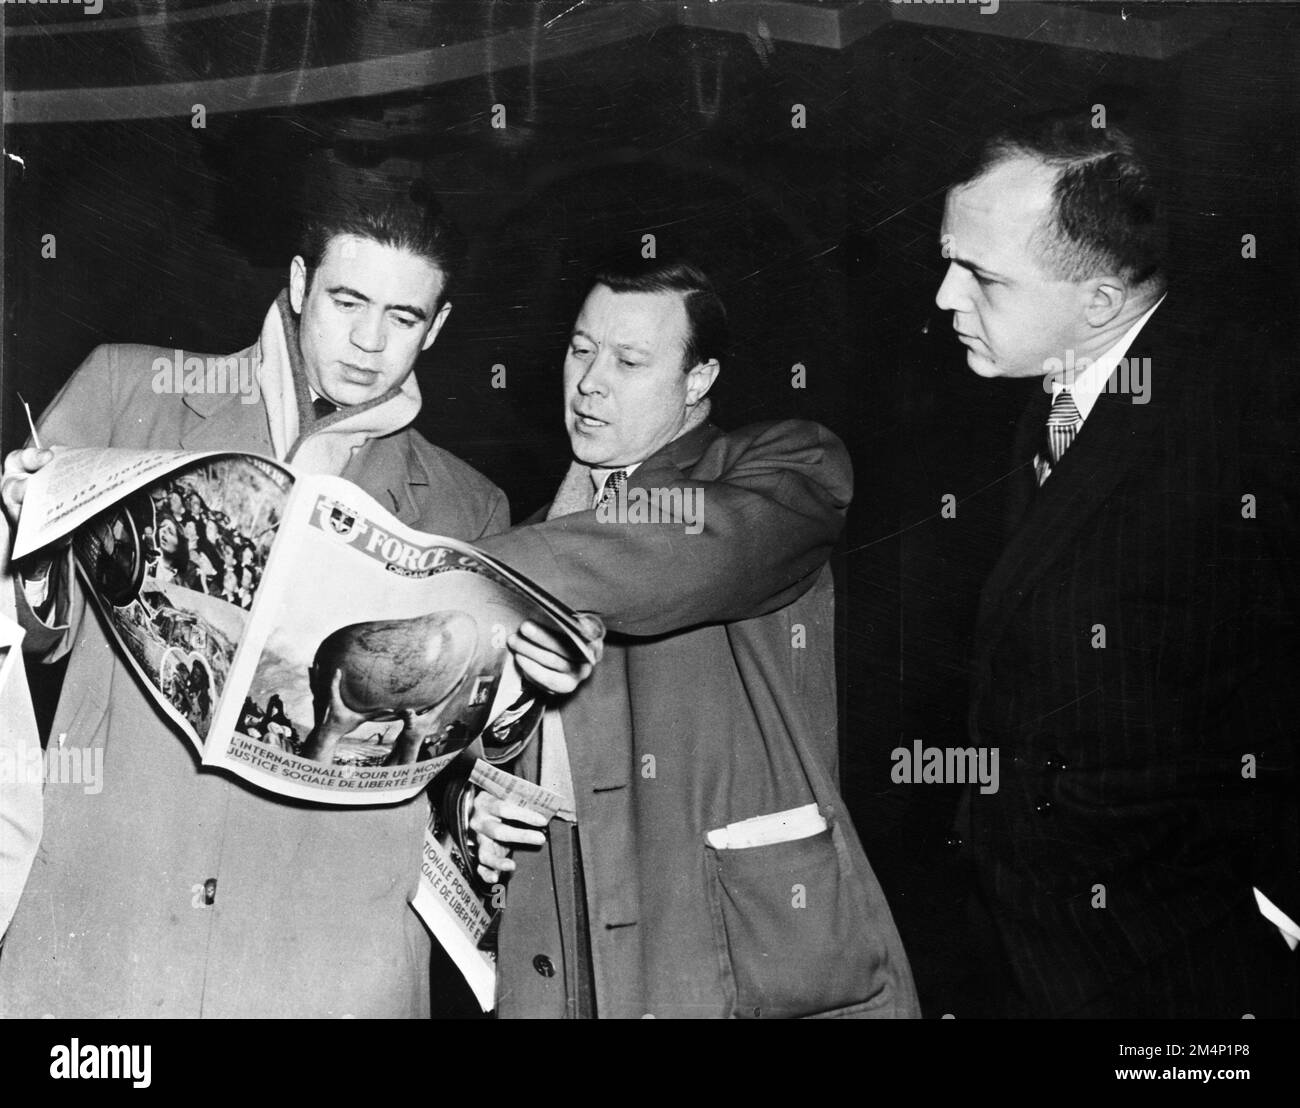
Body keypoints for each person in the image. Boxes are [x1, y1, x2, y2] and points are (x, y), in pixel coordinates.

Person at [0, 187, 590, 1018]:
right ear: (300, 282)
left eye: (405, 317)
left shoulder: (469, 507)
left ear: (440, 325)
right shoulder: (131, 389)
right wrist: (18, 538)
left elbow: (464, 758)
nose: (370, 342)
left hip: (327, 946)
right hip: (116, 908)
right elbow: (33, 635)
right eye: (348, 302)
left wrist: (526, 695)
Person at [469, 260, 919, 1018]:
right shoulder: (533, 539)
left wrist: (449, 568)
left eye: (630, 360)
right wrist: (478, 809)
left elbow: (682, 547)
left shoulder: (783, 467)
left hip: (723, 944)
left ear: (699, 377)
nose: (590, 382)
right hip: (561, 940)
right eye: (581, 350)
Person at [933, 110, 1299, 1017]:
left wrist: (1280, 906)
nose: (944, 296)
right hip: (1045, 949)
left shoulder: (1253, 406)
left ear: (1098, 300)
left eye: (979, 275)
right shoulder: (1049, 392)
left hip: (1192, 959)